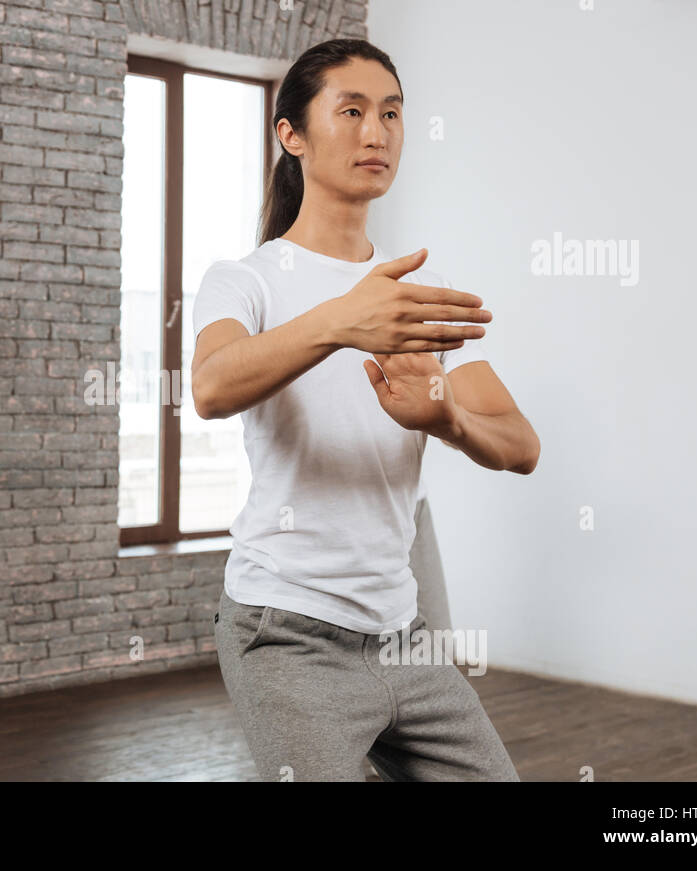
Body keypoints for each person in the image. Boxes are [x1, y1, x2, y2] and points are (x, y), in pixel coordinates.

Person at [191, 39, 540, 781]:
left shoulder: (423, 292)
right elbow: (212, 385)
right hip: (285, 634)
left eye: (390, 113)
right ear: (292, 135)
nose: (376, 133)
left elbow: (520, 444)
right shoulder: (243, 281)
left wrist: (446, 417)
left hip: (401, 633)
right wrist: (341, 322)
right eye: (350, 111)